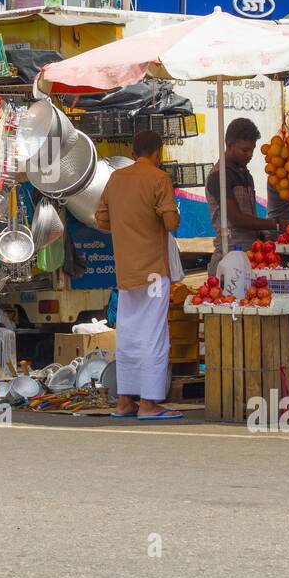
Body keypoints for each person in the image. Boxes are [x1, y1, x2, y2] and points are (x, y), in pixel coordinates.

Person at [95, 129, 183, 421]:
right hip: (154, 273)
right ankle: (148, 404)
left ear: (133, 153)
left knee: (128, 335)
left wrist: (128, 225)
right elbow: (171, 223)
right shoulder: (159, 178)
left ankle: (123, 402)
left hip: (126, 272)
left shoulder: (116, 179)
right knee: (154, 336)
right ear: (157, 152)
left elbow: (102, 219)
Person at [206, 117, 280, 275]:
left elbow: (249, 216)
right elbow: (236, 218)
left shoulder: (246, 175)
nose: (250, 154)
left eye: (252, 149)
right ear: (230, 145)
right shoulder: (218, 176)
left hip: (251, 257)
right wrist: (276, 224)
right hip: (229, 257)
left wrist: (264, 237)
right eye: (245, 150)